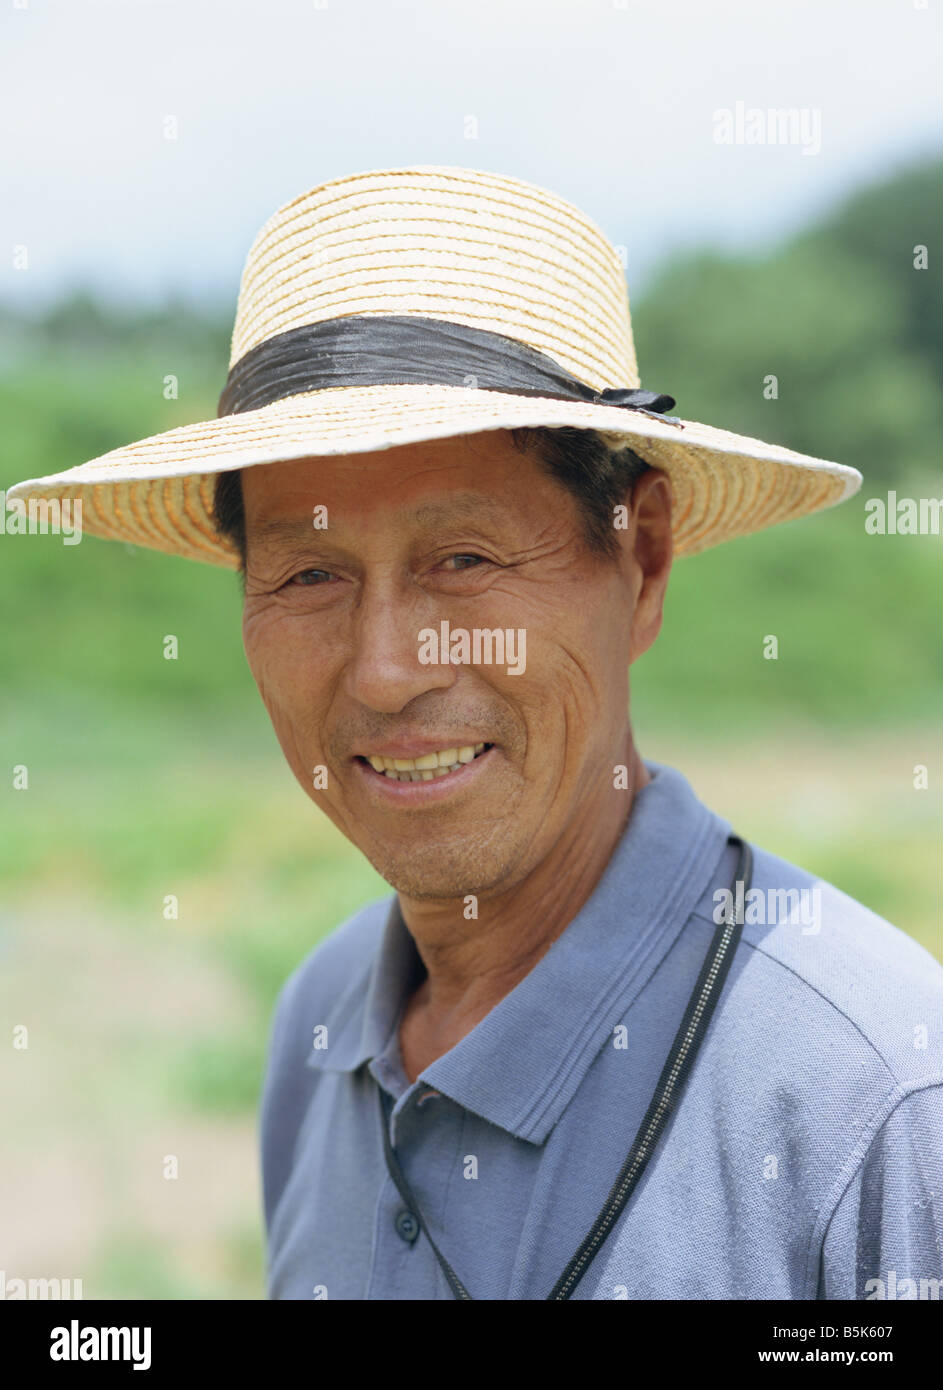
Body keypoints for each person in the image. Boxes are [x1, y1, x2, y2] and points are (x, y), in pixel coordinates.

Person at [9, 166, 942, 1301]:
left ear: (640, 559)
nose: (388, 670)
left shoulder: (878, 1093)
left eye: (465, 560)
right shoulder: (325, 1024)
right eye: (308, 573)